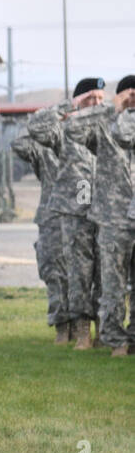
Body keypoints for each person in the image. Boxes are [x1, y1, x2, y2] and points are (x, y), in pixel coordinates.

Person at [28, 79, 104, 348]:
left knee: (105, 276)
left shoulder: (108, 130)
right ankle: (80, 330)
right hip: (74, 216)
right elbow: (35, 128)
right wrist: (66, 107)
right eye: (89, 99)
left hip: (107, 215)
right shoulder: (65, 132)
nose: (95, 104)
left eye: (99, 99)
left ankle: (105, 332)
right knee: (79, 274)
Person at [77, 75, 135, 355]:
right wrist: (112, 107)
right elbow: (70, 129)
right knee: (112, 285)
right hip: (114, 220)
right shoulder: (104, 124)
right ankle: (116, 340)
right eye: (129, 93)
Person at [11, 130, 68, 341]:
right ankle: (61, 326)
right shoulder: (46, 149)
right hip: (52, 218)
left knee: (86, 275)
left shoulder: (95, 140)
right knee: (54, 273)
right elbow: (18, 143)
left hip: (86, 218)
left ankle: (87, 329)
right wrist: (54, 116)